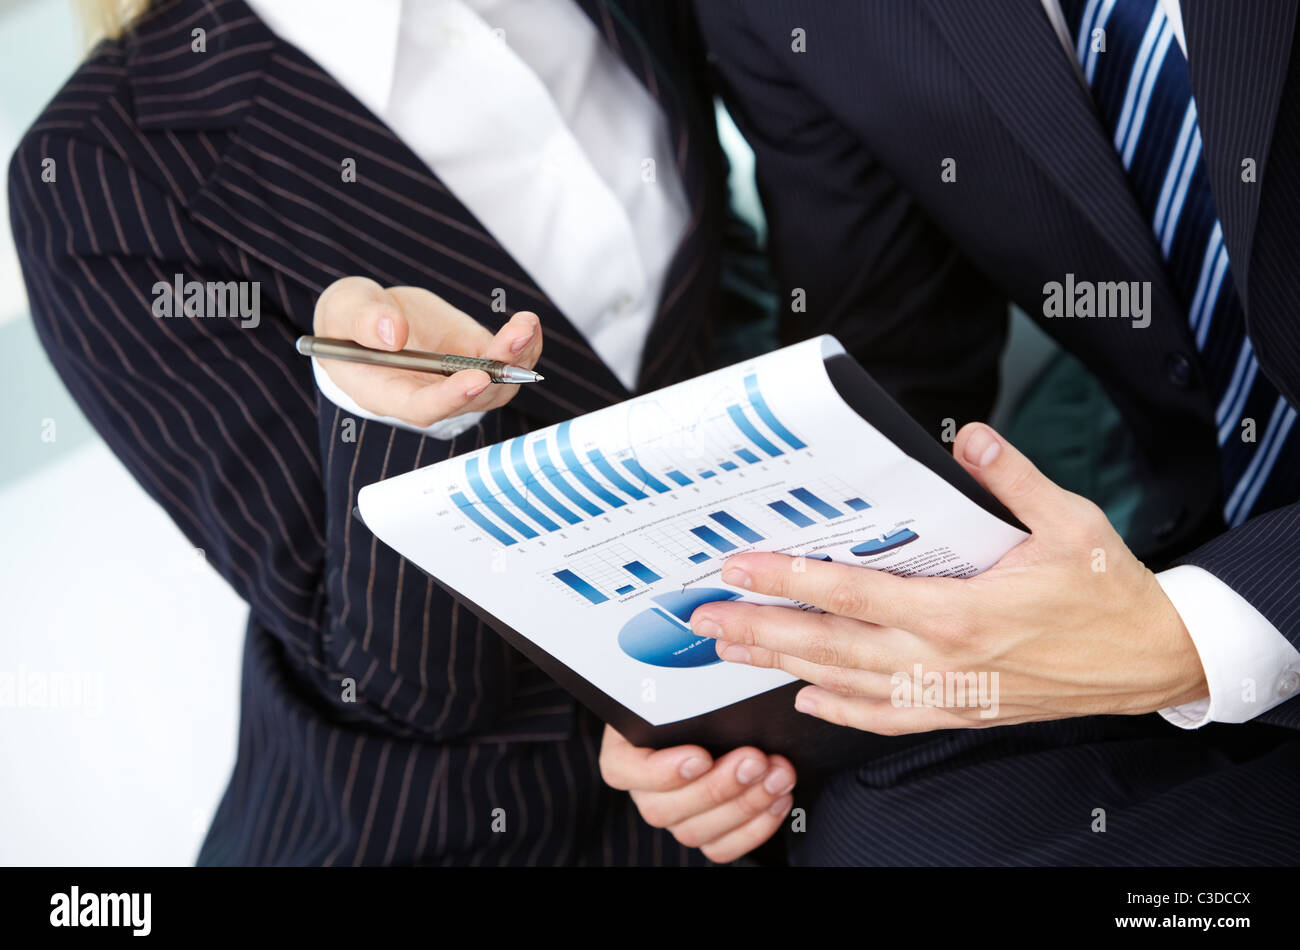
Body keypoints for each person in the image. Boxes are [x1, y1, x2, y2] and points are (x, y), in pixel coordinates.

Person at [10, 0, 777, 864]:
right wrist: (385, 413)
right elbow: (406, 687)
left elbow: (718, 286)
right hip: (444, 824)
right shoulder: (97, 165)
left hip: (765, 740)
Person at [601, 0, 1300, 864]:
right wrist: (728, 693)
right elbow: (895, 372)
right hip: (1192, 549)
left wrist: (1184, 640)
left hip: (1237, 603)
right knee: (883, 837)